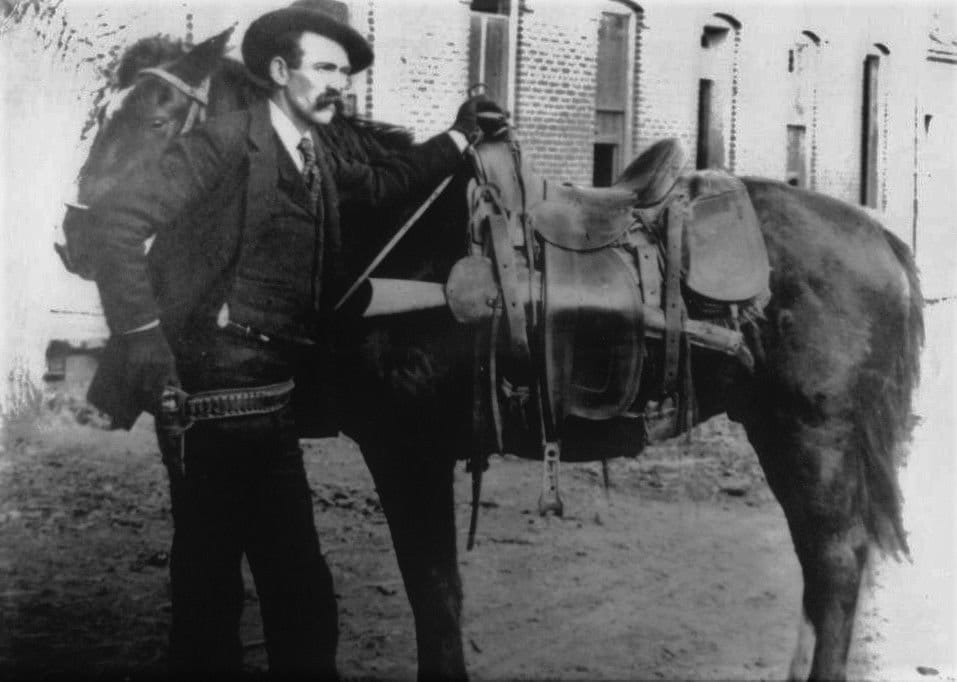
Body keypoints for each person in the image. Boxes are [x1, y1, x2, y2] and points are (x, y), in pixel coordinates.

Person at [82, 0, 502, 676]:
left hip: (270, 405)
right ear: (279, 70)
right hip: (211, 404)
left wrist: (457, 138)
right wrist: (142, 339)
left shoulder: (314, 160)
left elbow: (385, 185)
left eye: (346, 71)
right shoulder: (222, 143)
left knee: (289, 586)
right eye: (324, 67)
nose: (339, 82)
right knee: (219, 585)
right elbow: (114, 225)